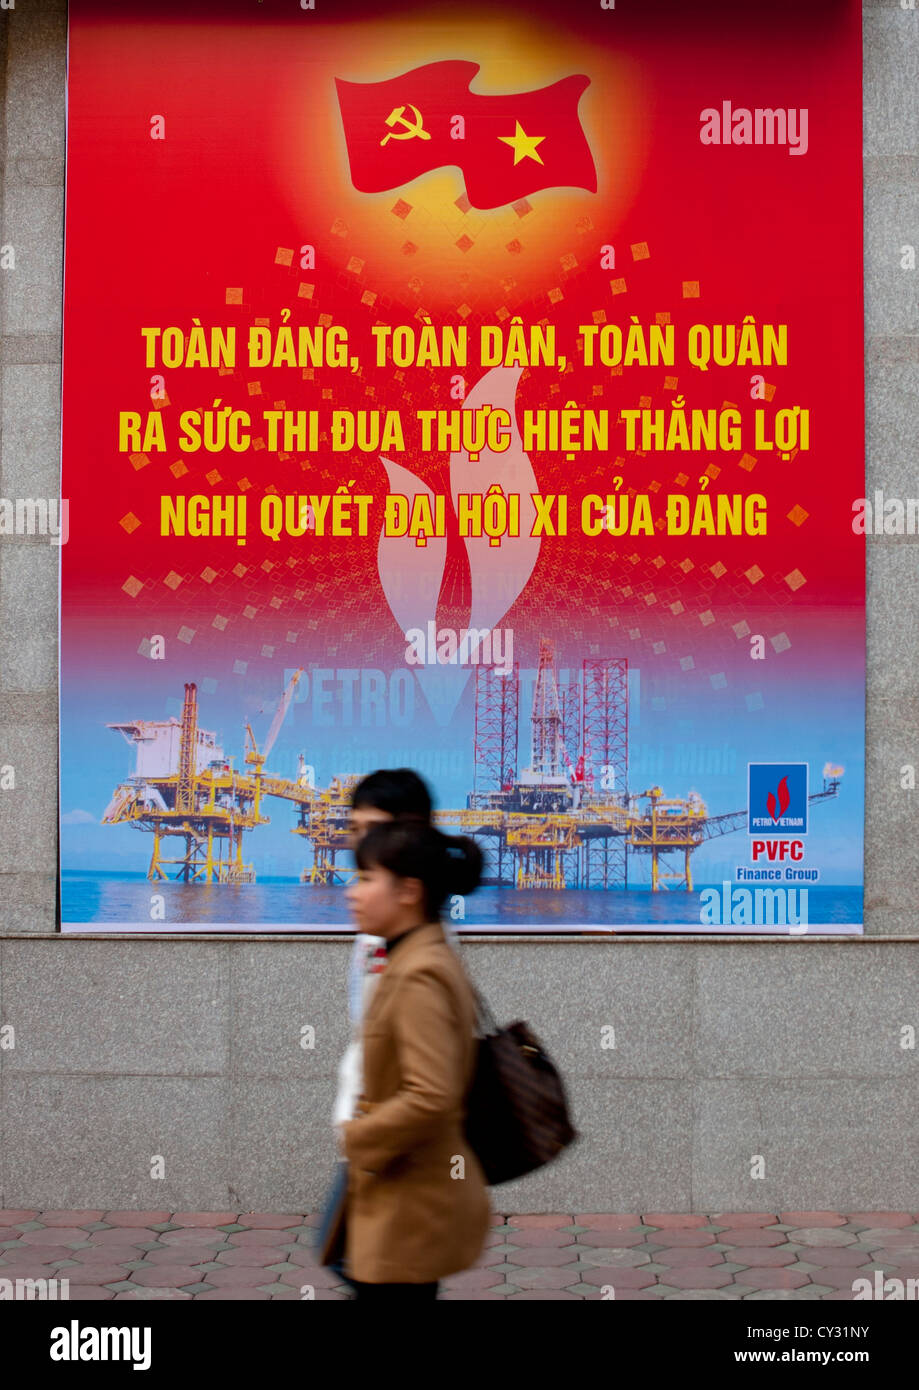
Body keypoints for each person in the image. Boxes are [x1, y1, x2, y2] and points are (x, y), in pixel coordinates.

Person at [335, 819, 491, 1299]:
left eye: (365, 879)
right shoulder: (414, 955)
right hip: (406, 1193)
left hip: (408, 1201)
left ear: (408, 891)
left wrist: (358, 1137)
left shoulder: (419, 972)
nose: (351, 893)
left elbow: (432, 1094)